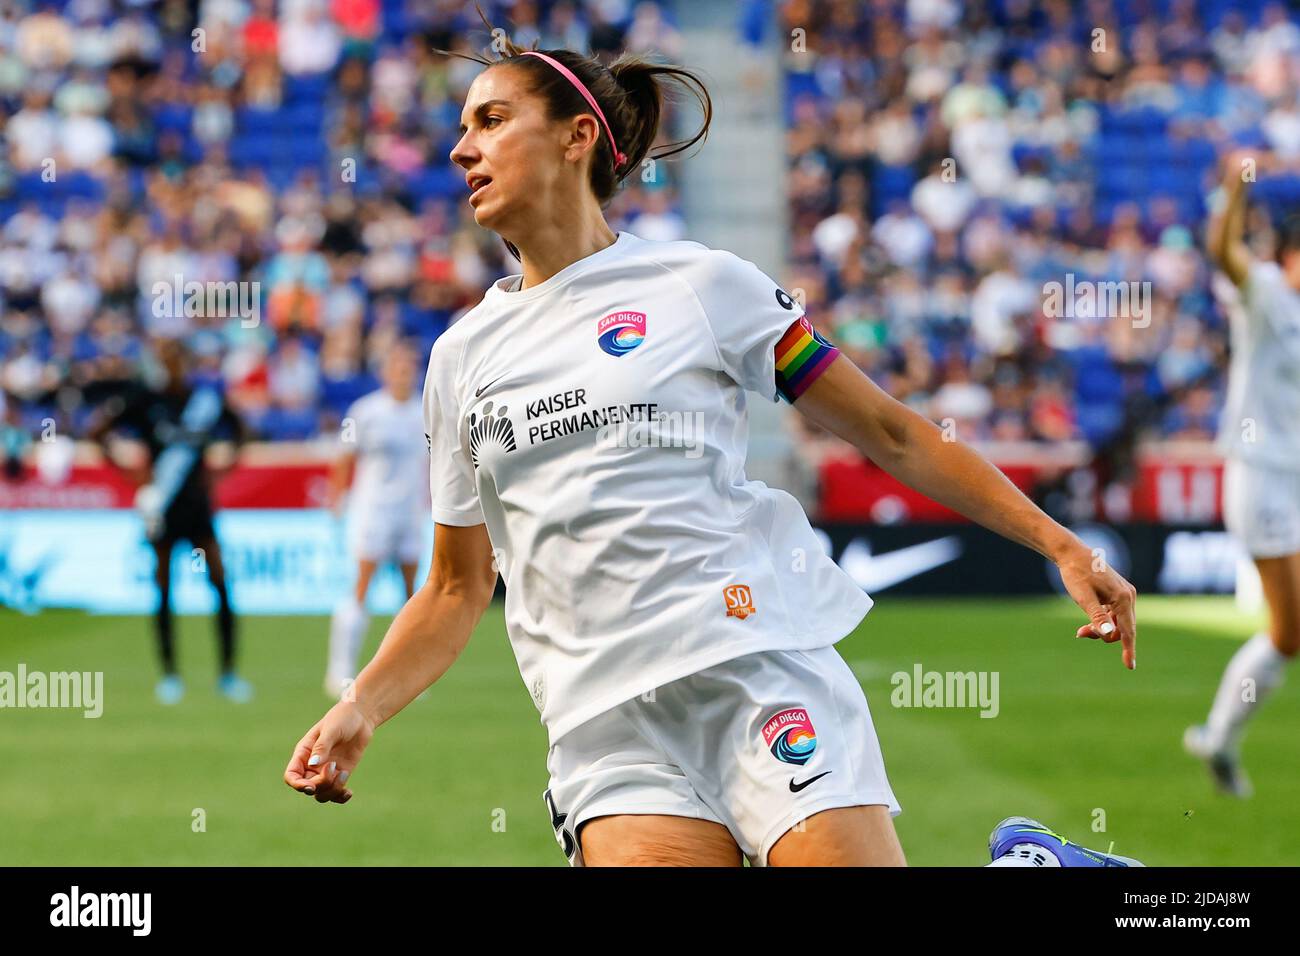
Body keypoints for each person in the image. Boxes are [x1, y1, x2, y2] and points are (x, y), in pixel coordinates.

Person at [284, 33, 1138, 867]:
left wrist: (1060, 542)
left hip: (751, 665)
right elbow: (455, 586)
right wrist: (361, 705)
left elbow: (890, 432)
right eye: (464, 127)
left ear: (579, 137)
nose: (462, 148)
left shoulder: (703, 287)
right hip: (603, 726)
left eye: (493, 120)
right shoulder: (460, 358)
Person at [1185, 150, 1300, 796]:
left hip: (1294, 478)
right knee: (1289, 632)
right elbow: (1221, 251)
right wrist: (1232, 187)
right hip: (1261, 475)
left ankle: (1219, 740)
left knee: (1290, 633)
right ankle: (1219, 740)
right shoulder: (1267, 293)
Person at [90, 337, 252, 704]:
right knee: (163, 588)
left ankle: (228, 674)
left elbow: (241, 429)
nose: (171, 365)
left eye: (176, 358)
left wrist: (224, 468)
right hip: (162, 508)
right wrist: (131, 474)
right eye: (165, 358)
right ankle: (170, 675)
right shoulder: (145, 400)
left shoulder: (205, 401)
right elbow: (98, 431)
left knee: (220, 583)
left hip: (197, 506)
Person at [324, 342, 430, 698]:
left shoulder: (425, 411)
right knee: (362, 587)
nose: (404, 373)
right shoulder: (366, 412)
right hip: (373, 510)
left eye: (409, 367)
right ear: (385, 372)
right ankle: (341, 670)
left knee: (411, 596)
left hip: (410, 511)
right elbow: (344, 456)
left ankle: (409, 673)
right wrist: (337, 499)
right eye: (398, 367)